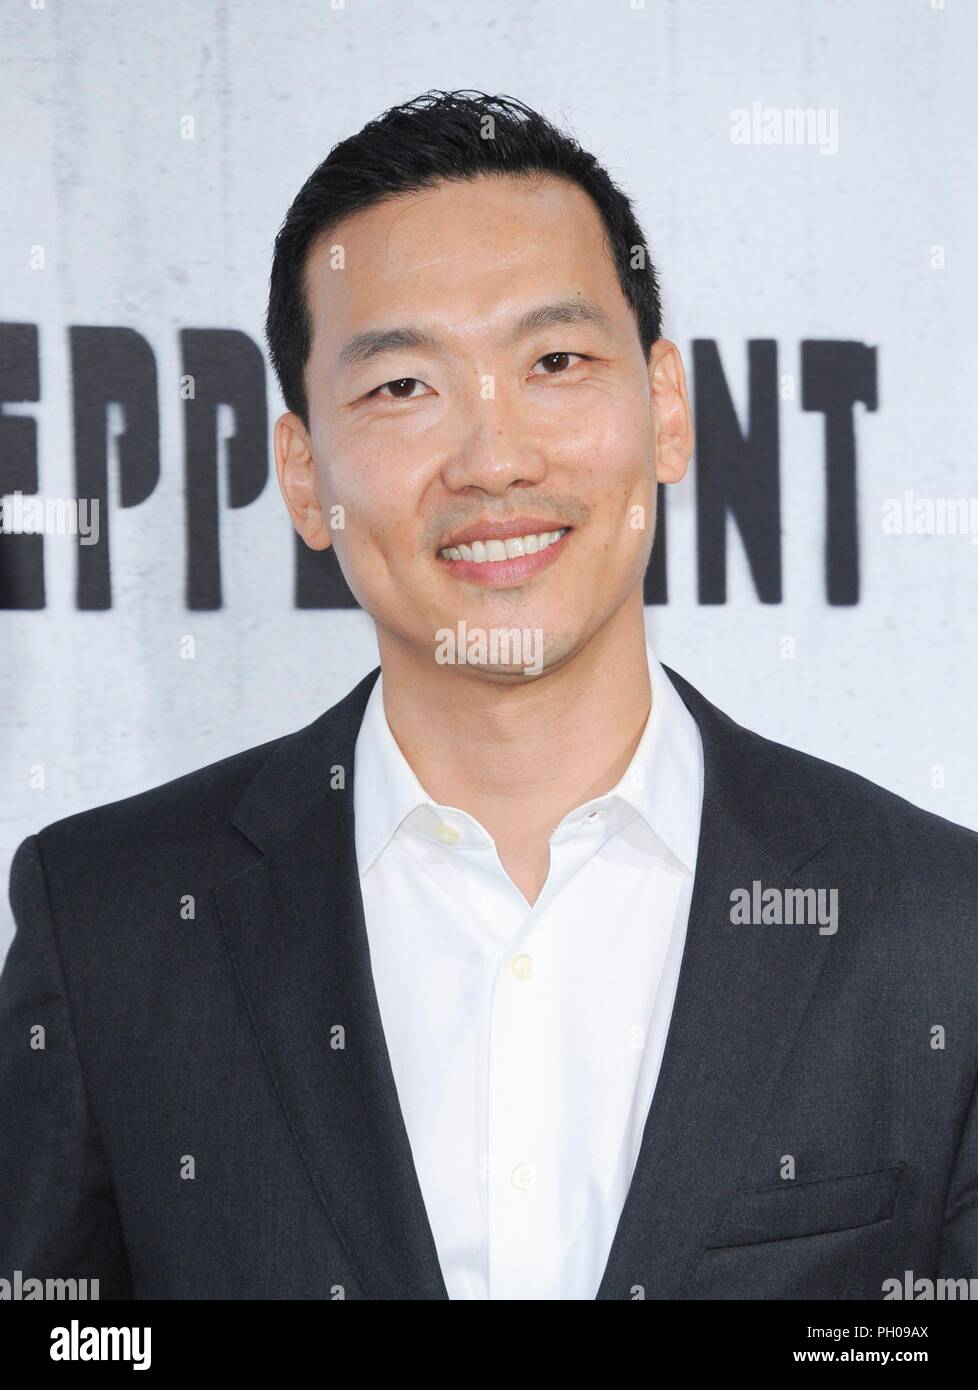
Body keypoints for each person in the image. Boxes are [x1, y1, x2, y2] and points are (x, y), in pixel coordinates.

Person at [2, 90, 976, 1301]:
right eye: (404, 387)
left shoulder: (938, 928)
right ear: (304, 478)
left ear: (665, 409)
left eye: (556, 362)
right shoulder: (113, 923)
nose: (495, 457)